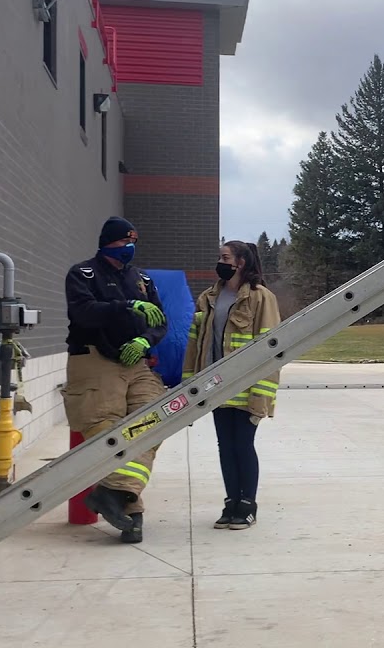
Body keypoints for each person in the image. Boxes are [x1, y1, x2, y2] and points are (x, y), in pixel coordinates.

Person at [63, 216, 168, 544]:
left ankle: (111, 494)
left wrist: (146, 341)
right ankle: (131, 513)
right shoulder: (83, 273)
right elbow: (83, 312)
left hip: (136, 362)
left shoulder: (143, 279)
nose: (130, 249)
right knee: (108, 433)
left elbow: (159, 319)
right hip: (95, 360)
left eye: (133, 242)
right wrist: (124, 306)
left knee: (155, 420)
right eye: (124, 243)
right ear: (108, 243)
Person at [182, 241, 281, 530]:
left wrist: (262, 396)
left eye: (225, 257)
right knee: (225, 446)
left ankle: (247, 504)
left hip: (247, 386)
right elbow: (194, 346)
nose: (220, 261)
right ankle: (231, 503)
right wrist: (191, 386)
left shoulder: (262, 298)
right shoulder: (209, 297)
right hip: (215, 386)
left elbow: (271, 349)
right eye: (220, 257)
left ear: (241, 262)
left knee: (243, 444)